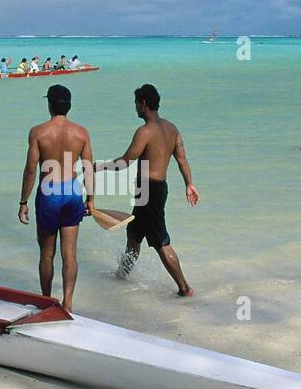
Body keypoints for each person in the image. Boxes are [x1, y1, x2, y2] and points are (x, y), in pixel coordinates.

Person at [98, 84, 198, 296]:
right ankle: (120, 277)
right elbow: (182, 159)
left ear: (143, 104)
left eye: (136, 103)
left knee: (161, 240)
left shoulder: (144, 131)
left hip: (149, 190)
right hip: (157, 188)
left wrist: (98, 167)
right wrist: (189, 184)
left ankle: (184, 288)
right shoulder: (172, 129)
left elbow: (125, 161)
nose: (135, 107)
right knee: (134, 234)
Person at [18, 84, 94, 311]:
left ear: (49, 104)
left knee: (47, 253)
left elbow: (31, 169)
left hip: (48, 192)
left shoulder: (38, 132)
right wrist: (91, 198)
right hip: (72, 191)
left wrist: (23, 202)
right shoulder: (81, 133)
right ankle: (68, 302)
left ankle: (47, 301)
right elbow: (88, 168)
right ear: (69, 106)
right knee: (69, 252)